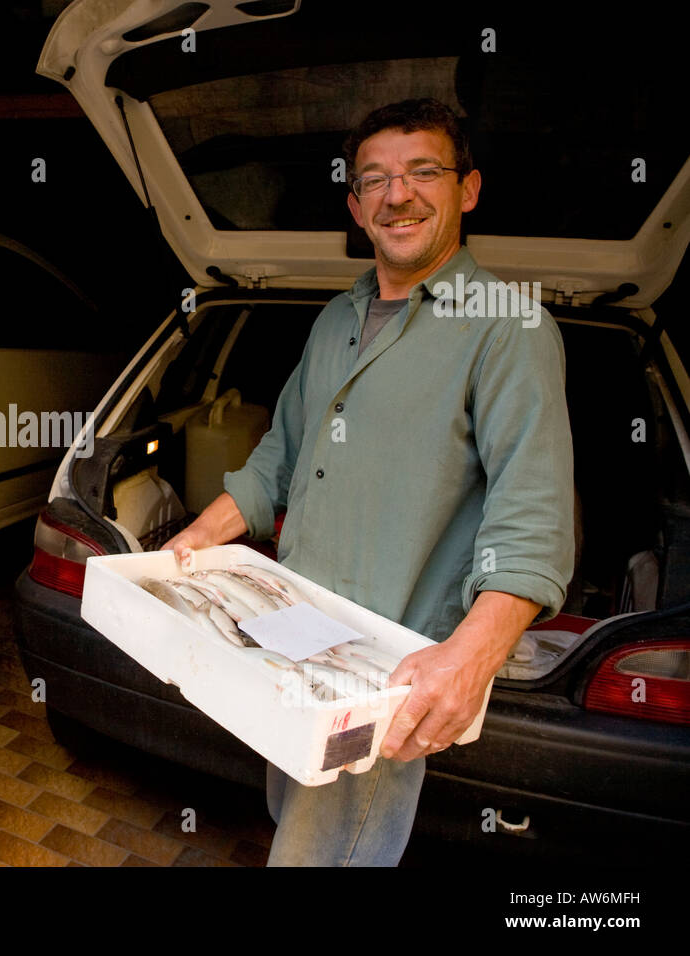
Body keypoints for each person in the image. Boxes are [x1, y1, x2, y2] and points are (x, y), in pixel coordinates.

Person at [166, 98, 574, 866]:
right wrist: (193, 543)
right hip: (291, 641)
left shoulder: (509, 330)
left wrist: (471, 659)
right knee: (286, 811)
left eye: (424, 172)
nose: (399, 195)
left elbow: (535, 522)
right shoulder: (336, 319)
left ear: (470, 189)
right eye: (377, 180)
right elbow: (275, 458)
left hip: (383, 677)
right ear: (356, 206)